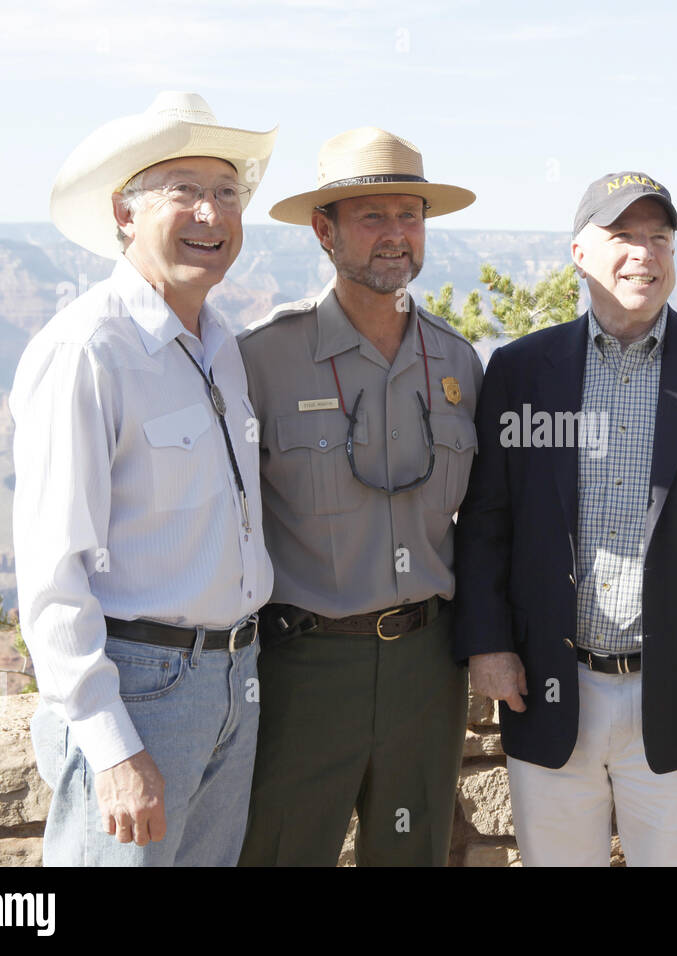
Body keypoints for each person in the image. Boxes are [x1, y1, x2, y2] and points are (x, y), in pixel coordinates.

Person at [454, 172, 677, 866]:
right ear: (579, 252)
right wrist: (487, 645)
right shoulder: (521, 371)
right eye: (623, 237)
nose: (644, 254)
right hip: (546, 690)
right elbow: (487, 521)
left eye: (658, 238)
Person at [12, 92, 277, 865]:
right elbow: (54, 576)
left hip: (235, 679)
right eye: (182, 191)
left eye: (226, 193)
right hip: (139, 688)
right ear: (125, 215)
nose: (210, 212)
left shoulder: (222, 344)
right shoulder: (87, 350)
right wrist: (112, 748)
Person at [236, 127, 481, 866]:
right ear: (324, 230)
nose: (395, 236)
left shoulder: (458, 362)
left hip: (428, 669)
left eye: (409, 216)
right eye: (371, 217)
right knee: (280, 853)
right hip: (304, 670)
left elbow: (484, 522)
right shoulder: (262, 359)